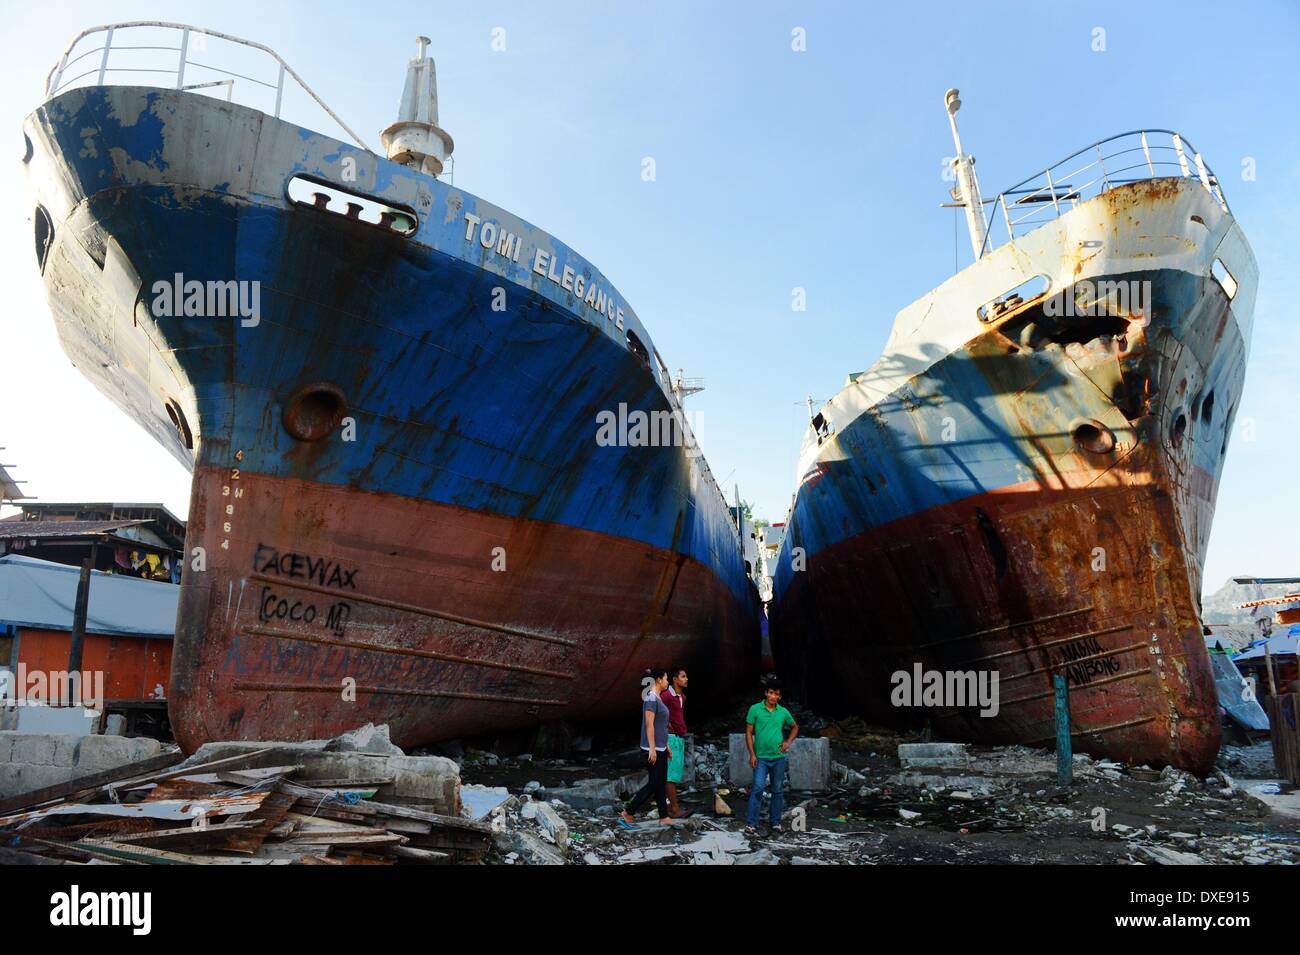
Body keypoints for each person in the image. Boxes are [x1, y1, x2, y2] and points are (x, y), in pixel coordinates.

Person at [620, 667, 674, 828]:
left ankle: (664, 816)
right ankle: (629, 812)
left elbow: (660, 725)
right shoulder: (651, 698)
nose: (667, 681)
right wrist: (652, 748)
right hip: (653, 748)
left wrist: (666, 746)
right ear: (658, 680)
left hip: (660, 747)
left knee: (660, 782)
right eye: (666, 679)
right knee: (654, 783)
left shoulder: (657, 697)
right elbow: (649, 724)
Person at [745, 678, 798, 834]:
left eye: (777, 694)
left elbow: (795, 727)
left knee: (777, 790)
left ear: (780, 697)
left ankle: (775, 822)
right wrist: (752, 755)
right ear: (766, 693)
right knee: (758, 788)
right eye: (771, 693)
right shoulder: (755, 709)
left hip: (778, 758)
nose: (774, 697)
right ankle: (751, 824)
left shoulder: (783, 712)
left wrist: (788, 742)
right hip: (760, 758)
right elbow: (748, 732)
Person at [660, 666, 692, 818]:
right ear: (674, 679)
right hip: (670, 738)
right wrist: (667, 727)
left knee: (674, 774)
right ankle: (674, 809)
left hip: (679, 738)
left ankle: (669, 805)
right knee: (670, 776)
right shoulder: (666, 696)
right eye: (683, 676)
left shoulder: (683, 698)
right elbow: (656, 713)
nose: (686, 679)